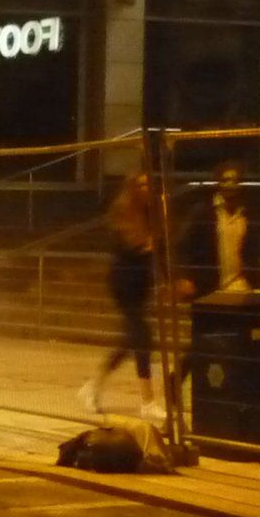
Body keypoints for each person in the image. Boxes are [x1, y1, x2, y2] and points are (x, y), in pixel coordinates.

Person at [79, 170, 166, 421]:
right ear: (132, 188)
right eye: (142, 185)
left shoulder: (150, 213)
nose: (147, 189)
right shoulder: (122, 210)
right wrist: (147, 244)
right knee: (142, 336)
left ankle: (92, 386)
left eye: (149, 184)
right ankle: (147, 401)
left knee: (130, 342)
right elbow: (129, 246)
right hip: (124, 282)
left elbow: (160, 247)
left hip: (141, 283)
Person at [176, 163, 260, 299]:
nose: (230, 184)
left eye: (235, 180)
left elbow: (253, 251)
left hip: (240, 286)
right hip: (208, 286)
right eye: (225, 180)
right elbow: (185, 246)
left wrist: (254, 280)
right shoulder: (204, 212)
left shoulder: (248, 214)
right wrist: (185, 277)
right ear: (218, 183)